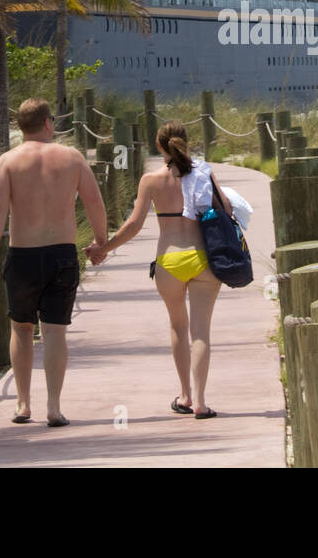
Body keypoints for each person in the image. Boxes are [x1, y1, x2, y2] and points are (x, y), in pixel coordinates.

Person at [85, 120, 229, 419]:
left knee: (179, 327)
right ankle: (202, 402)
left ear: (159, 146)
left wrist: (104, 248)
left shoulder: (150, 181)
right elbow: (226, 209)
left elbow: (134, 225)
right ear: (185, 142)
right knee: (201, 332)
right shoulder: (204, 172)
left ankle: (185, 395)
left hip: (170, 261)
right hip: (203, 259)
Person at [0, 98, 107, 426]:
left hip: (23, 255)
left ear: (21, 127)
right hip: (62, 256)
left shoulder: (7, 162)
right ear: (48, 123)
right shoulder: (71, 158)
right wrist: (100, 242)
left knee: (21, 329)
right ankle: (53, 406)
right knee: (54, 332)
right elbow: (94, 201)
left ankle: (23, 405)